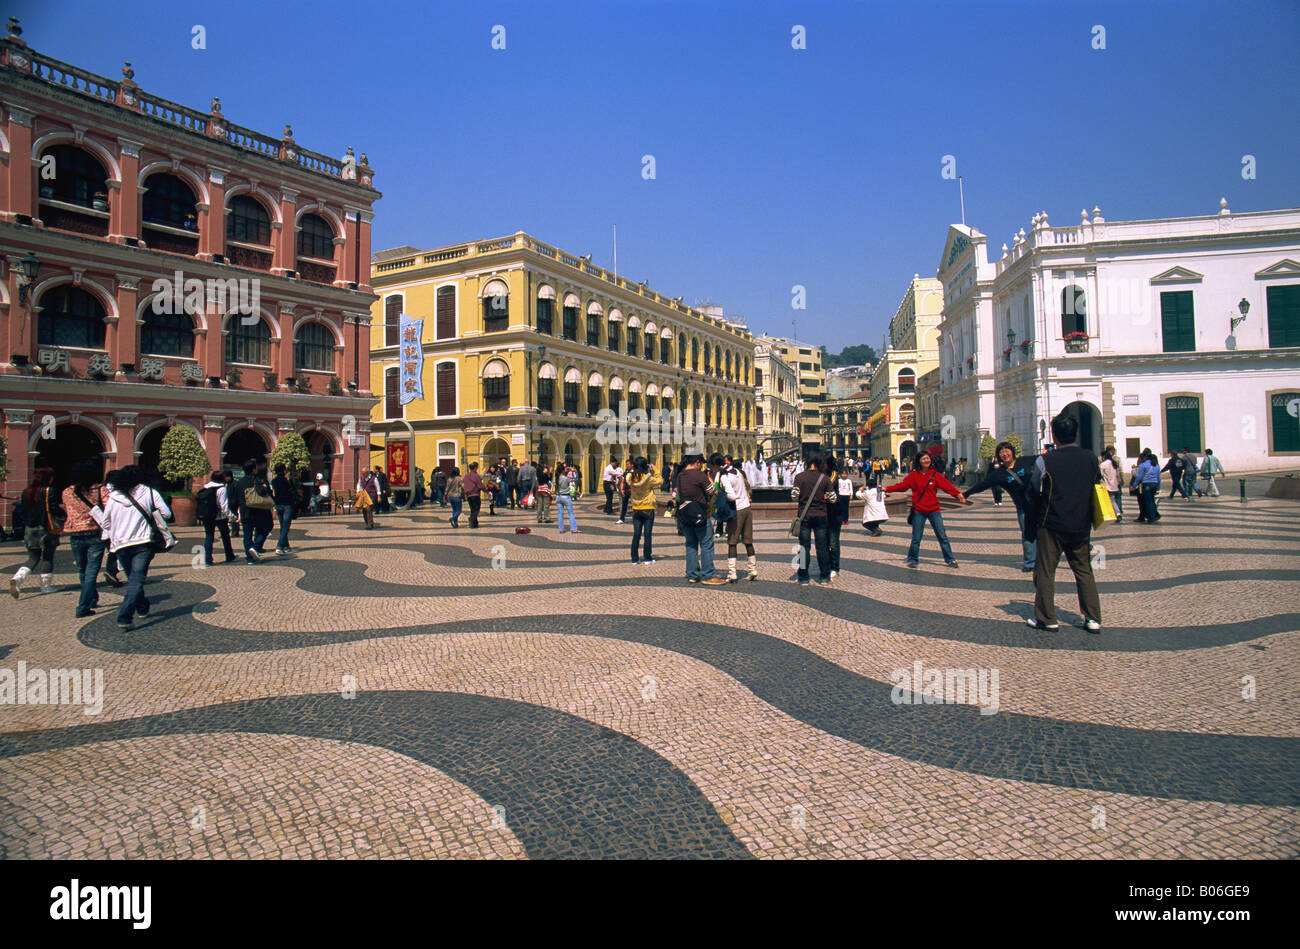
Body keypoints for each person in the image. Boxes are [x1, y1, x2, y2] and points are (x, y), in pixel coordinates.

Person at [1024, 413, 1103, 633]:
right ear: (1075, 433)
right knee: (1084, 570)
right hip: (1081, 523)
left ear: (1055, 436)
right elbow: (1096, 483)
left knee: (1046, 571)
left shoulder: (1045, 460)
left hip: (1052, 522)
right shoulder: (1090, 457)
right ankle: (1093, 618)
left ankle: (1047, 618)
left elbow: (1032, 489)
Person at [94, 465, 172, 630]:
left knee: (134, 579)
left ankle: (141, 608)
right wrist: (151, 513)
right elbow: (166, 514)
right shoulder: (150, 492)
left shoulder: (114, 497)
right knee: (136, 580)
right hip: (143, 542)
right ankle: (125, 617)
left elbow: (106, 522)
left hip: (121, 544)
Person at [884, 451, 969, 568]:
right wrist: (887, 489)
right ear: (919, 461)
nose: (926, 461)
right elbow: (902, 486)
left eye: (928, 458)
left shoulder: (935, 474)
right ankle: (913, 559)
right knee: (916, 537)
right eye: (923, 459)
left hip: (934, 510)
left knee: (942, 536)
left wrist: (958, 494)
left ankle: (950, 559)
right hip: (919, 511)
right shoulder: (914, 475)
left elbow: (947, 486)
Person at [964, 443, 1038, 572]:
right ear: (998, 456)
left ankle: (1044, 560)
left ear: (1012, 452)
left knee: (1045, 533)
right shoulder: (999, 474)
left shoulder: (1025, 461)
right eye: (1001, 452)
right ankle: (1030, 562)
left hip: (1039, 503)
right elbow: (983, 485)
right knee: (1027, 533)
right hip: (1023, 507)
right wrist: (966, 494)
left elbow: (1044, 460)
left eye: (1007, 450)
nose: (1005, 454)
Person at [61, 458, 112, 617]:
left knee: (83, 569)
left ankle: (91, 598)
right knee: (92, 571)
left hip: (75, 534)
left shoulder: (67, 492)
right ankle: (83, 606)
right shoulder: (99, 490)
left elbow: (68, 510)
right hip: (94, 533)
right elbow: (110, 509)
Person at [10, 466, 62, 598]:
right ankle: (45, 586)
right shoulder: (49, 491)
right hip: (46, 528)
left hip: (30, 528)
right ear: (48, 478)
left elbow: (22, 511)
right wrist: (64, 515)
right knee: (48, 557)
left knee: (33, 558)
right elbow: (54, 508)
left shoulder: (26, 491)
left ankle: (18, 578)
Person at [676, 454, 725, 584]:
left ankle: (692, 574)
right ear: (697, 462)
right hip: (700, 514)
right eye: (701, 463)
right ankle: (708, 575)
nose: (702, 466)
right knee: (706, 544)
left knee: (691, 544)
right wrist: (708, 478)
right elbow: (712, 490)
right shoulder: (699, 475)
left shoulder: (680, 475)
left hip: (685, 515)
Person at [790, 453, 834, 584]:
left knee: (804, 548)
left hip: (805, 516)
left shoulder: (799, 477)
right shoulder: (825, 478)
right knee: (822, 548)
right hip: (821, 516)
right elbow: (833, 498)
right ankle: (825, 577)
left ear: (807, 463)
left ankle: (803, 577)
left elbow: (794, 496)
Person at [718, 454, 757, 581]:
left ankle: (732, 573)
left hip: (737, 510)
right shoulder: (738, 472)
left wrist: (724, 498)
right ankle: (752, 570)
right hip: (747, 508)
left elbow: (731, 495)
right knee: (748, 540)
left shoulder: (724, 476)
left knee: (732, 542)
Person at [232, 459, 274, 560]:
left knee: (247, 535)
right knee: (266, 528)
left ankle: (249, 558)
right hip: (259, 511)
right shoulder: (259, 480)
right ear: (254, 469)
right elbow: (267, 493)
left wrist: (235, 512)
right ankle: (255, 547)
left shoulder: (239, 483)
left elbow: (235, 499)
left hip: (245, 512)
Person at [197, 469, 238, 566]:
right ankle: (229, 556)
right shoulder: (222, 489)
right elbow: (224, 505)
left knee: (209, 536)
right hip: (220, 517)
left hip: (208, 516)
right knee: (225, 536)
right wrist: (231, 516)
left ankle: (207, 559)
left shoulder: (206, 487)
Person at [627, 457, 662, 564]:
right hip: (648, 508)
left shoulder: (630, 477)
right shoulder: (649, 478)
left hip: (636, 508)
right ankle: (647, 558)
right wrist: (655, 470)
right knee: (647, 534)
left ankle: (634, 558)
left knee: (636, 534)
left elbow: (628, 476)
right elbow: (660, 481)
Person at [271, 463, 296, 555]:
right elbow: (291, 491)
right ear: (284, 470)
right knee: (285, 527)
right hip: (287, 504)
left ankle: (286, 546)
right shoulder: (286, 481)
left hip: (278, 504)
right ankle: (279, 546)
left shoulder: (274, 481)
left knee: (282, 526)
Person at [1134, 449, 1162, 523]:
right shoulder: (1156, 465)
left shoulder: (1143, 465)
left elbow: (1139, 477)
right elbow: (1159, 477)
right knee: (1152, 501)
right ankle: (1153, 516)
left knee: (1147, 501)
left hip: (1146, 484)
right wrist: (1158, 487)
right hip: (1154, 484)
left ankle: (1151, 518)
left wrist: (1134, 485)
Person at [556, 464, 580, 533]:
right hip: (566, 496)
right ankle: (573, 528)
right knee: (571, 513)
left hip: (558, 496)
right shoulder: (566, 478)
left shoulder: (557, 478)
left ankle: (561, 529)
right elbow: (574, 480)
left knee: (560, 513)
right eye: (565, 468)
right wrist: (573, 471)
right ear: (563, 470)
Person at [463, 462, 484, 528]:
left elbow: (464, 485)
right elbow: (480, 485)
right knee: (476, 509)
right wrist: (486, 490)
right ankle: (471, 519)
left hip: (469, 495)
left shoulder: (466, 476)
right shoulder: (476, 475)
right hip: (475, 494)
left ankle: (475, 524)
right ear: (475, 468)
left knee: (472, 509)